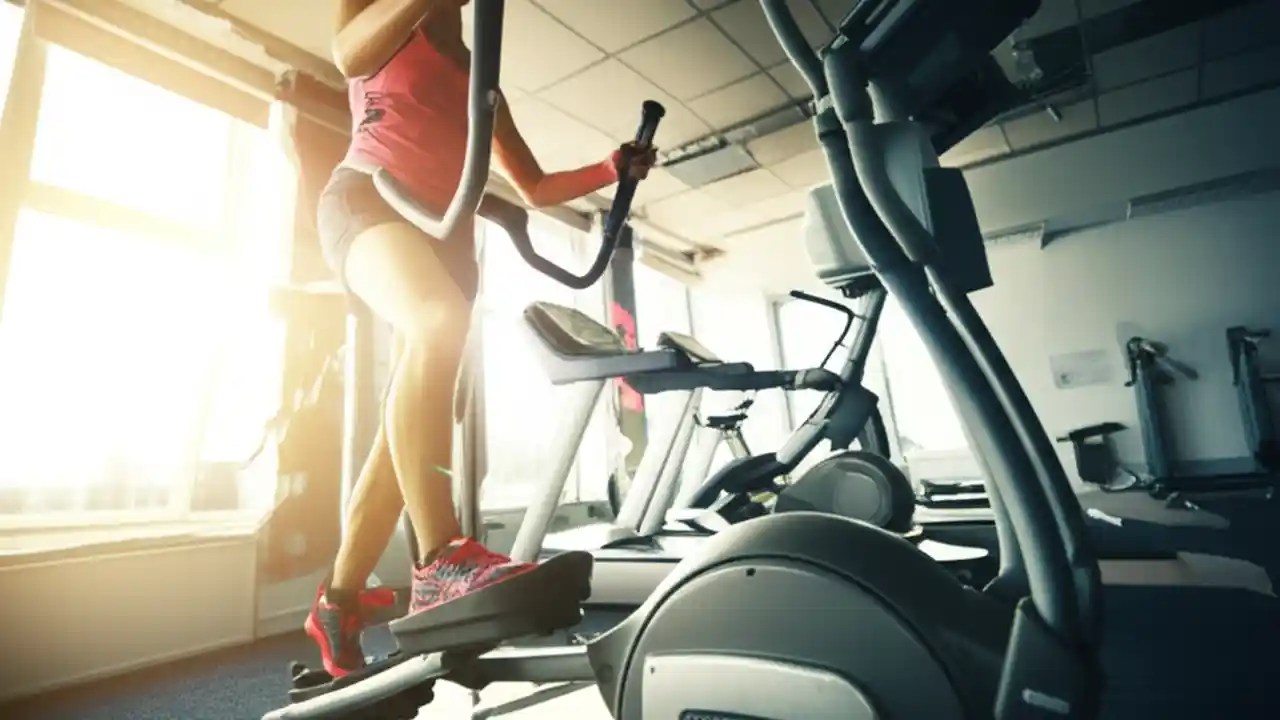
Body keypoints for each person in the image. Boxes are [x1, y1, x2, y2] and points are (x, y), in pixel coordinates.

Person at [306, 0, 657, 678]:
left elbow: (535, 186)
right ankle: (438, 561)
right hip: (368, 199)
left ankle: (336, 601)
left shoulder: (478, 67)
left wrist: (613, 167)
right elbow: (349, 56)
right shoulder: (377, 10)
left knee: (400, 436)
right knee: (437, 325)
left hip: (442, 236)